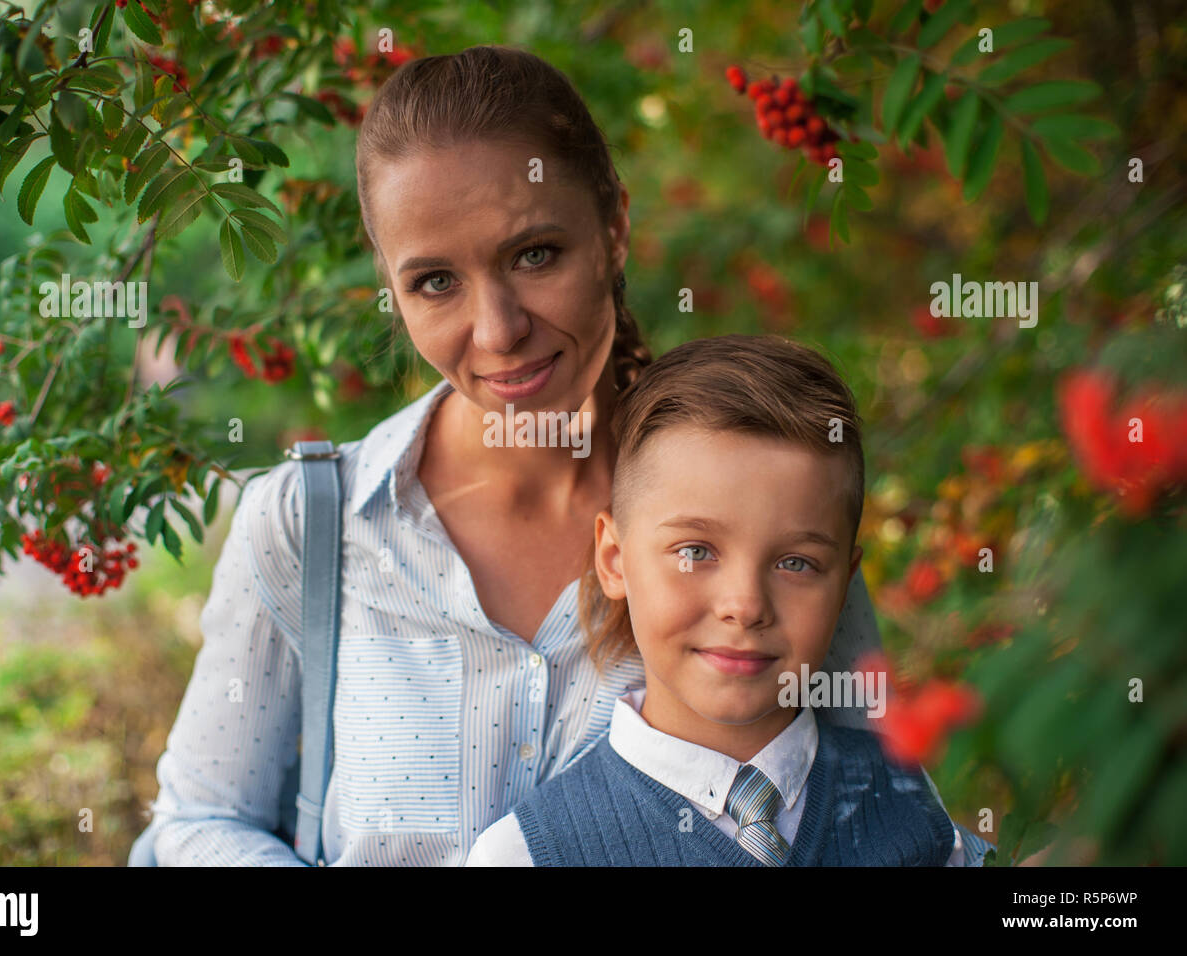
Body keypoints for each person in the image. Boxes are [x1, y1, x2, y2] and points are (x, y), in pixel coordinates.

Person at [142, 45, 886, 866]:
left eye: (534, 256)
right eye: (434, 282)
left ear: (614, 228)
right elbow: (196, 822)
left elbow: (869, 815)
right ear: (391, 290)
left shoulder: (762, 509)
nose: (497, 332)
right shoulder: (309, 523)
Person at [465, 335, 992, 866]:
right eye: (695, 551)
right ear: (615, 560)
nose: (745, 605)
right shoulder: (527, 854)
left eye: (796, 563)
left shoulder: (904, 794)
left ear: (843, 584)